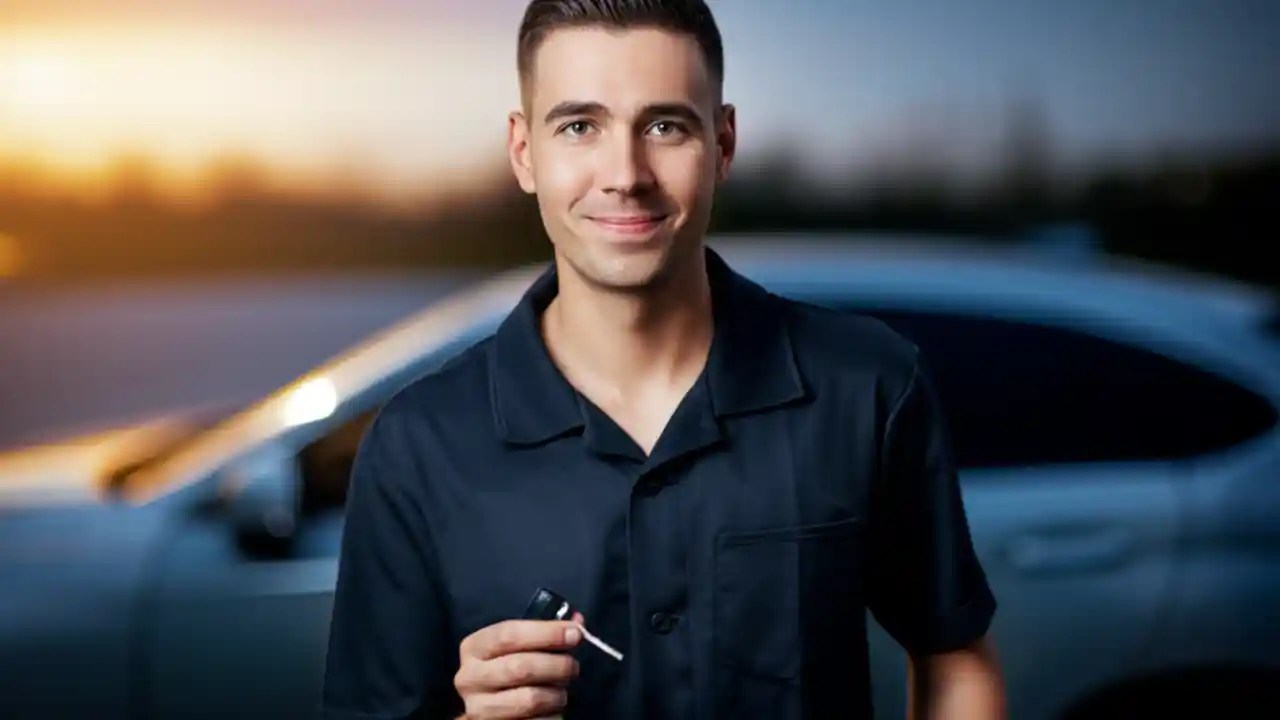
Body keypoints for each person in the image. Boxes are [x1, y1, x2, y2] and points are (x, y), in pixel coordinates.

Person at [320, 0, 1006, 718]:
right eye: (580, 126)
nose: (625, 173)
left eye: (665, 126)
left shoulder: (868, 386)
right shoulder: (417, 443)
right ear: (525, 152)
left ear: (724, 142)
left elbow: (954, 657)